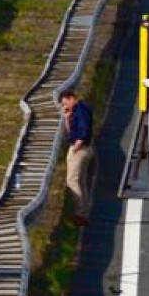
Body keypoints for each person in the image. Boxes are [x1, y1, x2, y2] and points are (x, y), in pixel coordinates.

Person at [60, 88, 95, 227]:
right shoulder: (77, 111)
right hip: (83, 148)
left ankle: (80, 213)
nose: (65, 107)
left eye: (65, 103)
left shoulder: (81, 110)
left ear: (71, 98)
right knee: (80, 181)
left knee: (72, 181)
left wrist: (75, 148)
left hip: (80, 149)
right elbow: (71, 133)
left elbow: (83, 132)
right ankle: (84, 211)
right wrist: (67, 119)